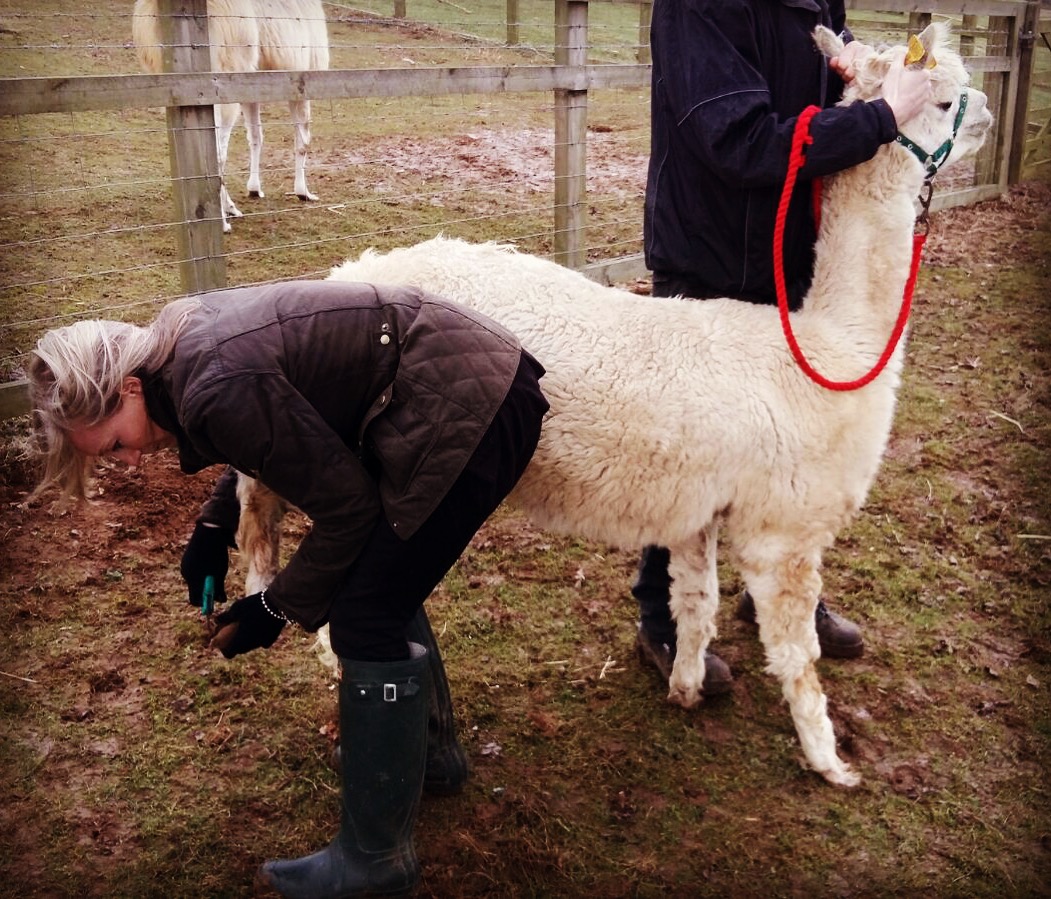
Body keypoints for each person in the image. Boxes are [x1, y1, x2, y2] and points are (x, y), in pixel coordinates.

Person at [27, 280, 549, 899]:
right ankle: (424, 756)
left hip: (468, 403)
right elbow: (268, 427)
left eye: (116, 444)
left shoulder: (211, 385)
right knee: (378, 581)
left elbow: (347, 508)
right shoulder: (178, 348)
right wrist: (214, 523)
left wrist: (274, 607)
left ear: (129, 389)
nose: (131, 462)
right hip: (443, 381)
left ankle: (376, 860)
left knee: (364, 614)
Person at [636, 0, 934, 692]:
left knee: (793, 445)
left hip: (794, 248)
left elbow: (829, 54)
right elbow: (738, 139)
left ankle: (777, 583)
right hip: (709, 256)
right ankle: (663, 615)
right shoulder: (694, 9)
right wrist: (881, 117)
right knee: (691, 447)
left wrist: (857, 63)